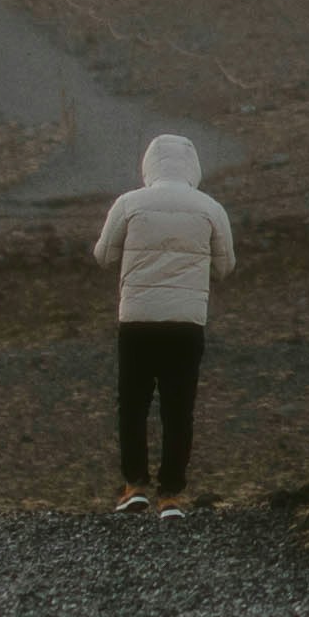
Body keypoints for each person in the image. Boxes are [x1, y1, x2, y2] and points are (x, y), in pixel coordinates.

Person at [93, 128, 232, 511]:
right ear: (194, 167)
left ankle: (133, 486)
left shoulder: (128, 204)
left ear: (149, 165)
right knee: (177, 407)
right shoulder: (210, 208)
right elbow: (225, 267)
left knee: (133, 405)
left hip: (137, 320)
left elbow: (103, 256)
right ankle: (171, 493)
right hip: (186, 325)